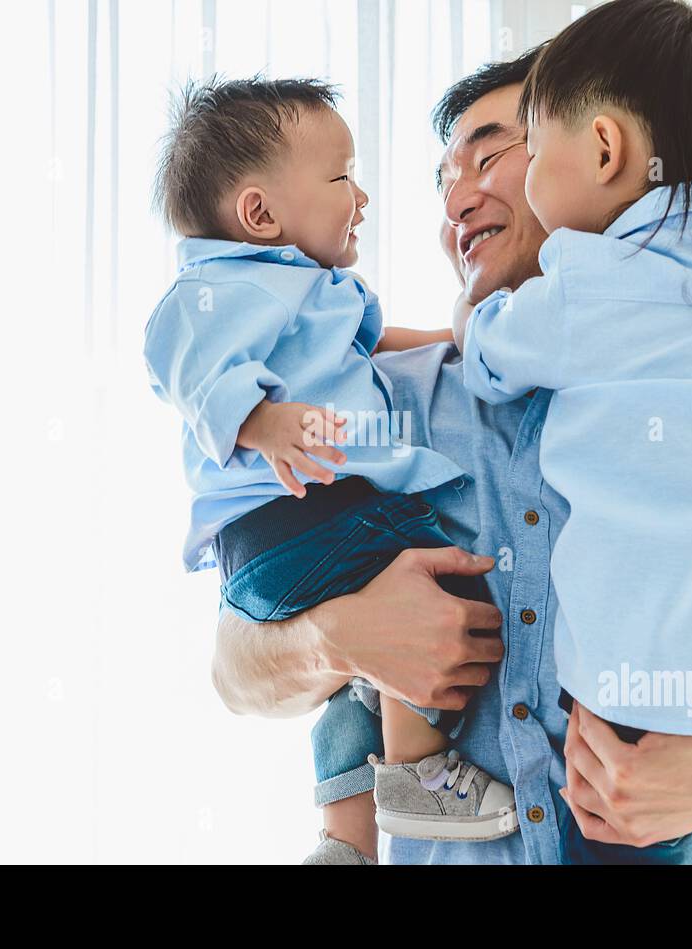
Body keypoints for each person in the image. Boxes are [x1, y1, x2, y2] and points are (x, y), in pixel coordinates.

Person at [209, 39, 692, 864]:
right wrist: (340, 638)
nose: (457, 201)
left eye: (495, 155)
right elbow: (236, 664)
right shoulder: (376, 403)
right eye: (445, 181)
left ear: (603, 156)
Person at [145, 77, 517, 866]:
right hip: (290, 520)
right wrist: (259, 421)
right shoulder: (216, 290)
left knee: (364, 684)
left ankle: (345, 841)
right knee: (432, 582)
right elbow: (179, 362)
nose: (365, 196)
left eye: (491, 156)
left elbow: (377, 348)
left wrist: (462, 342)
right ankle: (417, 772)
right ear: (260, 213)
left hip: (305, 526)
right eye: (342, 176)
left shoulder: (318, 294)